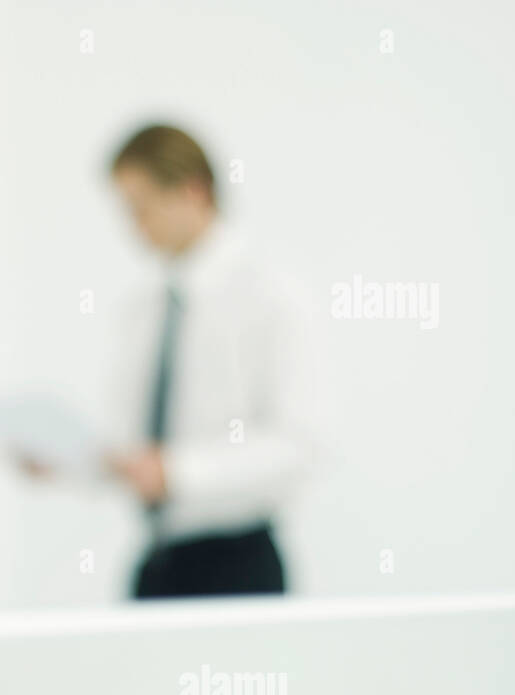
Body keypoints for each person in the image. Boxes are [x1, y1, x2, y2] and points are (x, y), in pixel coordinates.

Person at [22, 124, 328, 598]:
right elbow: (132, 448)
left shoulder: (273, 297)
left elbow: (298, 447)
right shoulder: (144, 307)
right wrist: (68, 464)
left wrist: (177, 473)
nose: (133, 227)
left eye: (141, 208)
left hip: (240, 568)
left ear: (192, 191)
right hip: (158, 566)